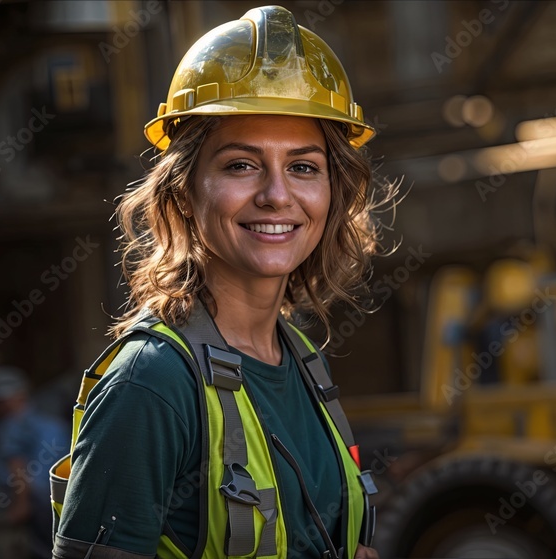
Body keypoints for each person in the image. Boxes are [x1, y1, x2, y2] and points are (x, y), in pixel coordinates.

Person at [54, 6, 391, 558]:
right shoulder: (152, 385)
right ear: (184, 191)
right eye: (241, 165)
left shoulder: (300, 356)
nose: (277, 195)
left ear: (333, 192)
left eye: (304, 167)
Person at [0, 366, 70, 559]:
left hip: (33, 499)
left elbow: (16, 463)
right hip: (60, 498)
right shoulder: (53, 420)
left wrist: (20, 502)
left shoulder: (13, 425)